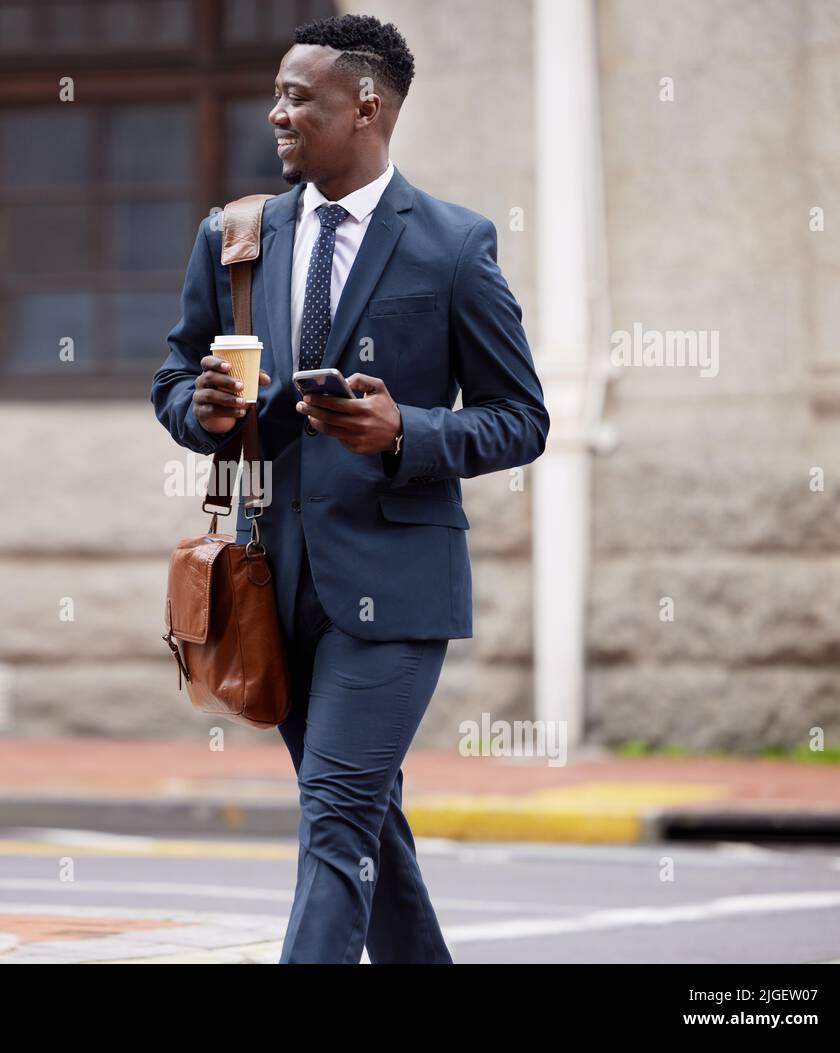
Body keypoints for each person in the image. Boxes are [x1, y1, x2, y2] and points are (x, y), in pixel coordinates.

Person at [150, 13, 549, 964]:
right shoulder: (236, 237)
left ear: (366, 106)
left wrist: (405, 428)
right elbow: (175, 382)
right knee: (369, 825)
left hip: (396, 589)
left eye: (299, 96)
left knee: (333, 818)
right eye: (277, 93)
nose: (276, 113)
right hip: (271, 588)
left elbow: (521, 418)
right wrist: (200, 410)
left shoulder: (452, 246)